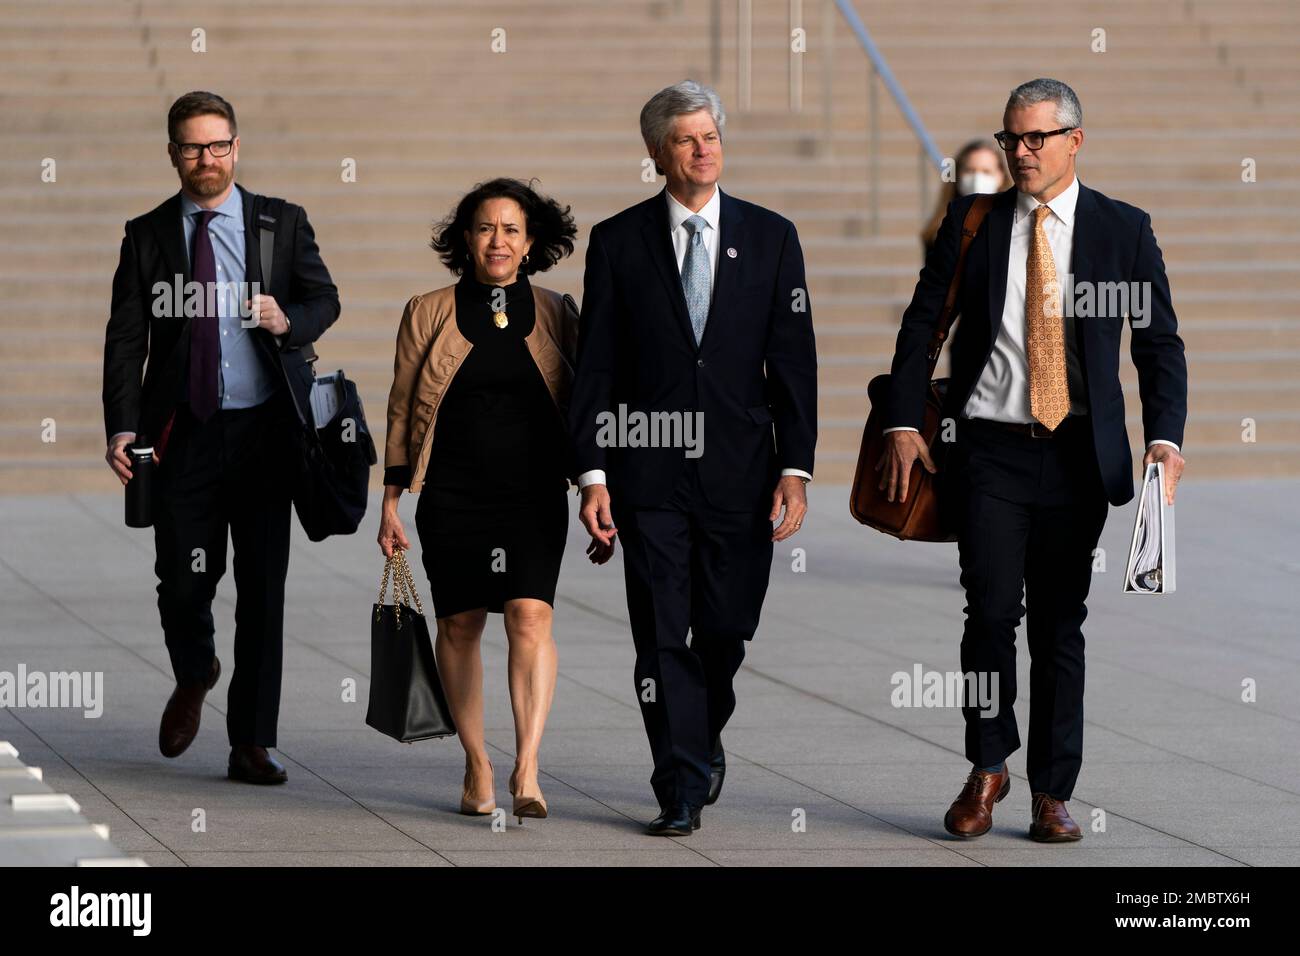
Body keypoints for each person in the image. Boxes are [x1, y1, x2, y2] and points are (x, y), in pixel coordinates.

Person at [877, 78, 1187, 842]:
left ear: (1074, 139)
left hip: (1079, 456)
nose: (1020, 152)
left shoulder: (1122, 231)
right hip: (989, 450)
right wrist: (900, 420)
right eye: (1012, 138)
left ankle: (1053, 790)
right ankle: (988, 766)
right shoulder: (975, 221)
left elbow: (1158, 345)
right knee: (987, 611)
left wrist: (1166, 437)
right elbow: (925, 319)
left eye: (1035, 139)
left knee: (1058, 624)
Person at [569, 81, 818, 836]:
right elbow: (598, 368)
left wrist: (795, 467)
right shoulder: (618, 242)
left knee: (725, 629)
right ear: (656, 154)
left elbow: (793, 362)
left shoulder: (773, 237)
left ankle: (702, 734)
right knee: (662, 632)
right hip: (648, 476)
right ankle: (678, 779)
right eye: (685, 138)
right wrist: (594, 474)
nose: (703, 149)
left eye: (710, 135)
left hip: (742, 473)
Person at [102, 91, 340, 784]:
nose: (205, 159)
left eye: (217, 145)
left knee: (263, 588)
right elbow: (126, 339)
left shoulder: (280, 223)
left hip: (266, 432)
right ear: (172, 152)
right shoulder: (147, 234)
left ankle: (252, 742)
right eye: (191, 147)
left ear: (236, 147)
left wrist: (285, 318)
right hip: (184, 432)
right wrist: (123, 423)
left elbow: (325, 300)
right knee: (181, 579)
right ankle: (196, 666)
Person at [379, 177, 601, 823]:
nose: (497, 240)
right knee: (461, 624)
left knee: (531, 617)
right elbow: (400, 409)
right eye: (484, 227)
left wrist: (595, 485)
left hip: (532, 492)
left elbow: (587, 408)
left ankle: (527, 767)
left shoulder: (560, 311)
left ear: (532, 242)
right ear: (465, 240)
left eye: (511, 228)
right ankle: (477, 762)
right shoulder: (428, 309)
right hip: (452, 493)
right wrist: (391, 501)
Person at [920, 139, 1012, 255]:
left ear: (1001, 176)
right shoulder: (938, 231)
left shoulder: (1014, 224)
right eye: (970, 170)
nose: (977, 178)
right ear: (957, 175)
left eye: (986, 171)